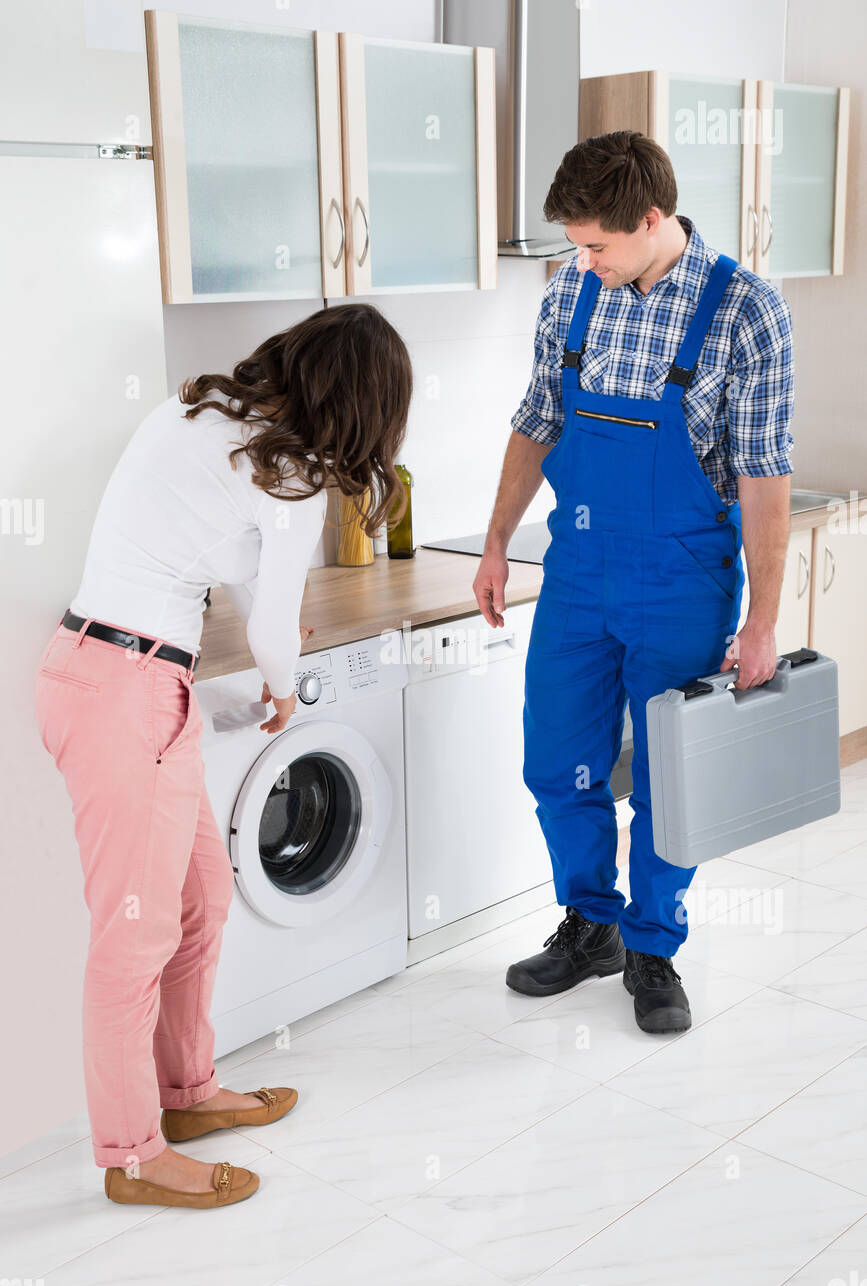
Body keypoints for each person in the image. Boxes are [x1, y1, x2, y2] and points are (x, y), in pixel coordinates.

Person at [34, 304, 412, 1208]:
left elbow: (242, 579)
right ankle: (132, 1155)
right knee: (133, 939)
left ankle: (189, 1093)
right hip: (120, 691)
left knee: (201, 901)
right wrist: (283, 685)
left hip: (126, 680)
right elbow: (272, 615)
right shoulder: (286, 474)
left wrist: (268, 654)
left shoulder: (207, 419)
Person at [473, 131, 793, 1034]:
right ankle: (591, 926)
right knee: (555, 764)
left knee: (668, 778)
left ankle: (653, 949)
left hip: (682, 575)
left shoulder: (746, 310)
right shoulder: (572, 289)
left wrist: (761, 621)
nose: (582, 260)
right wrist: (496, 540)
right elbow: (538, 418)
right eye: (575, 244)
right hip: (577, 568)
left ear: (651, 221)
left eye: (595, 245)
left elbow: (764, 475)